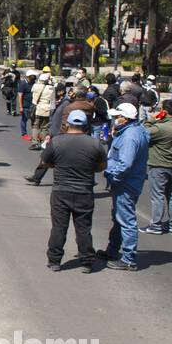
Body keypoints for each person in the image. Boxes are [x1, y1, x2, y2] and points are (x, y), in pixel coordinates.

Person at [40, 110, 105, 273]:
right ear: (85, 125)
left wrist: (58, 166)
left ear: (67, 124)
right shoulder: (95, 143)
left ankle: (54, 260)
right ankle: (87, 261)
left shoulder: (57, 141)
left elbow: (45, 161)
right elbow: (101, 166)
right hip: (84, 191)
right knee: (83, 228)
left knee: (59, 227)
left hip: (61, 190)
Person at [98, 103, 149, 272]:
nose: (114, 119)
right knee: (119, 217)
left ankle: (129, 259)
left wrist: (113, 175)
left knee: (126, 220)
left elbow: (125, 164)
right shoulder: (135, 131)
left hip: (126, 182)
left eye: (117, 116)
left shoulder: (129, 136)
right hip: (130, 180)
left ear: (125, 118)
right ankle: (112, 250)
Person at [141, 99, 172, 234]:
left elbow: (143, 132)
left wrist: (151, 119)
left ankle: (156, 225)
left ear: (164, 112)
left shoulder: (160, 128)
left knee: (158, 196)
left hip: (158, 165)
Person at [30, 70, 56, 150]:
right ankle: (43, 142)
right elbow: (52, 101)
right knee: (44, 127)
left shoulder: (35, 86)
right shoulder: (51, 88)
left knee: (35, 126)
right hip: (46, 110)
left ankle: (34, 142)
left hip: (37, 109)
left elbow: (32, 94)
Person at [17, 70, 33, 140]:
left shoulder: (33, 83)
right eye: (32, 76)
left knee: (34, 120)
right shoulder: (23, 84)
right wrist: (20, 107)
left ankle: (35, 135)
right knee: (24, 120)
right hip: (25, 105)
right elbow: (20, 95)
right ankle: (24, 133)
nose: (33, 77)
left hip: (32, 105)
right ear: (28, 76)